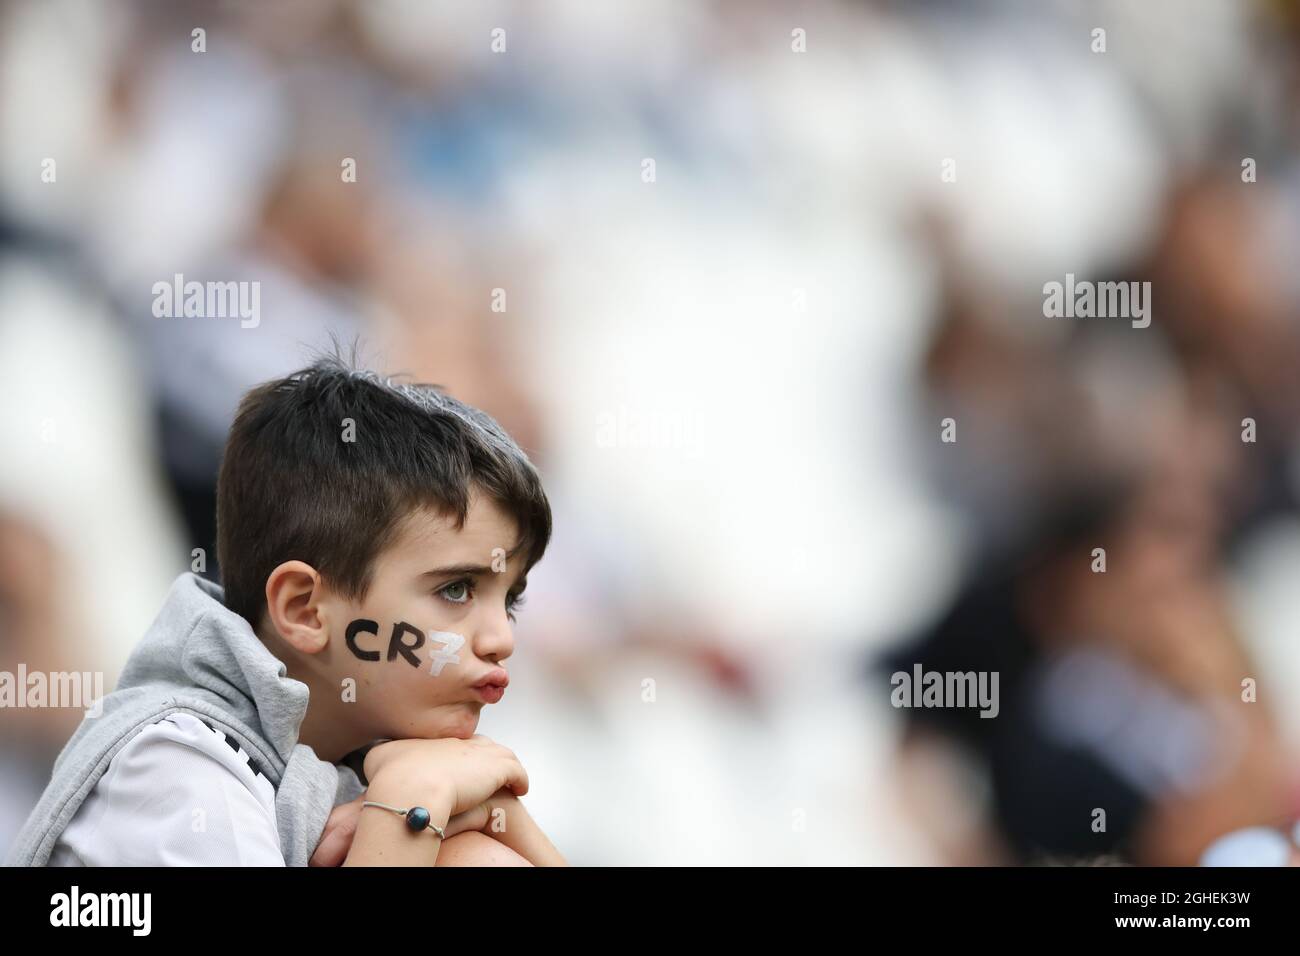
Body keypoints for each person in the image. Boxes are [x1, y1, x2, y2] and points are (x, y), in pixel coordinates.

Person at [6, 355, 566, 866]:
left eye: (509, 598)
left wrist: (508, 821)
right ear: (304, 609)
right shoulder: (174, 770)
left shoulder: (372, 759)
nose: (501, 638)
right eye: (457, 589)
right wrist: (408, 812)